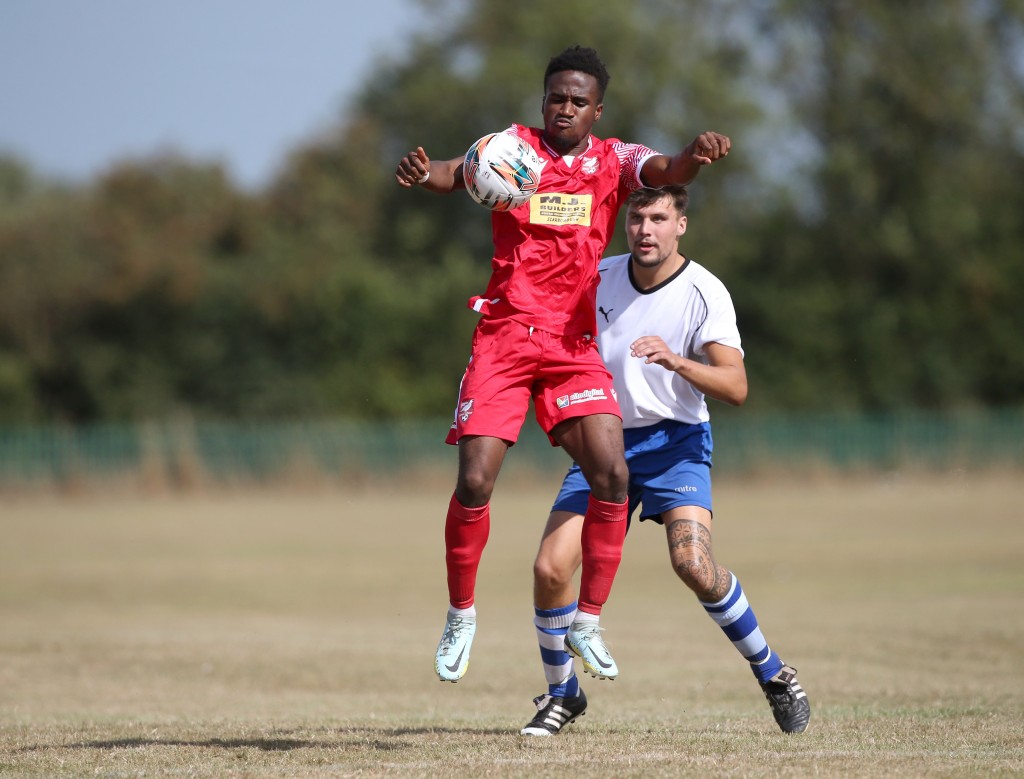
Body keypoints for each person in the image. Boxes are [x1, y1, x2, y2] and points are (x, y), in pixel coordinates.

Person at [395, 45, 731, 685]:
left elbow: (665, 167)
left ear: (596, 109)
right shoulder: (511, 150)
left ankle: (589, 619)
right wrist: (422, 172)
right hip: (505, 335)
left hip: (572, 344)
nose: (565, 109)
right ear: (542, 101)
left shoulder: (614, 162)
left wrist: (695, 155)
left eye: (579, 101)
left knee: (612, 474)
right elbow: (455, 172)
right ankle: (461, 613)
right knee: (475, 481)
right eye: (556, 98)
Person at [521, 185, 811, 736]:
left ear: (681, 225)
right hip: (602, 444)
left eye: (658, 218)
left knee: (693, 566)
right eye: (636, 218)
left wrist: (676, 361)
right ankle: (562, 694)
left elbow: (736, 386)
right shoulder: (598, 276)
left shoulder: (704, 291)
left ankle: (773, 674)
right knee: (550, 568)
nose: (645, 229)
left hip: (676, 444)